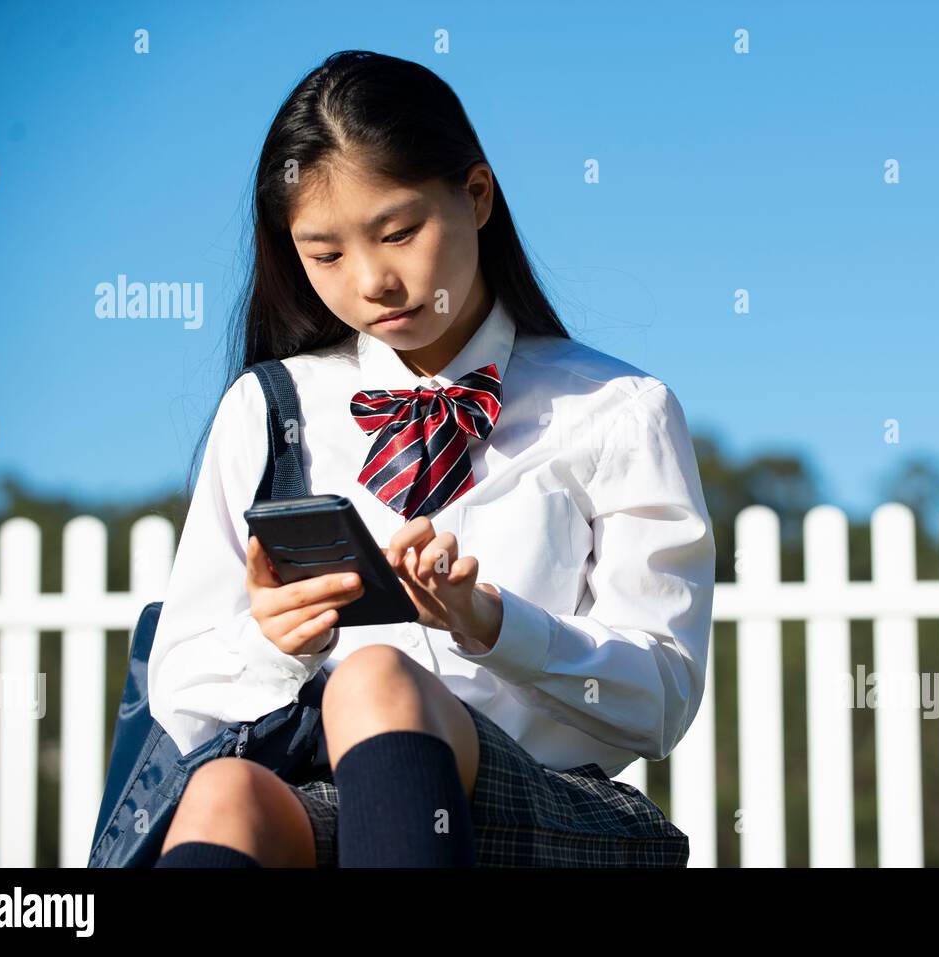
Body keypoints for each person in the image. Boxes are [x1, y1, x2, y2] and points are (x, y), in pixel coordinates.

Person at [148, 50, 715, 868]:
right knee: (223, 795)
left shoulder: (617, 409)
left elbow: (659, 698)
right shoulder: (272, 409)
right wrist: (276, 642)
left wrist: (496, 624)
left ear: (477, 197)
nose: (374, 280)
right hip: (339, 799)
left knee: (375, 675)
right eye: (326, 253)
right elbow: (181, 690)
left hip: (545, 811)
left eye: (399, 231)